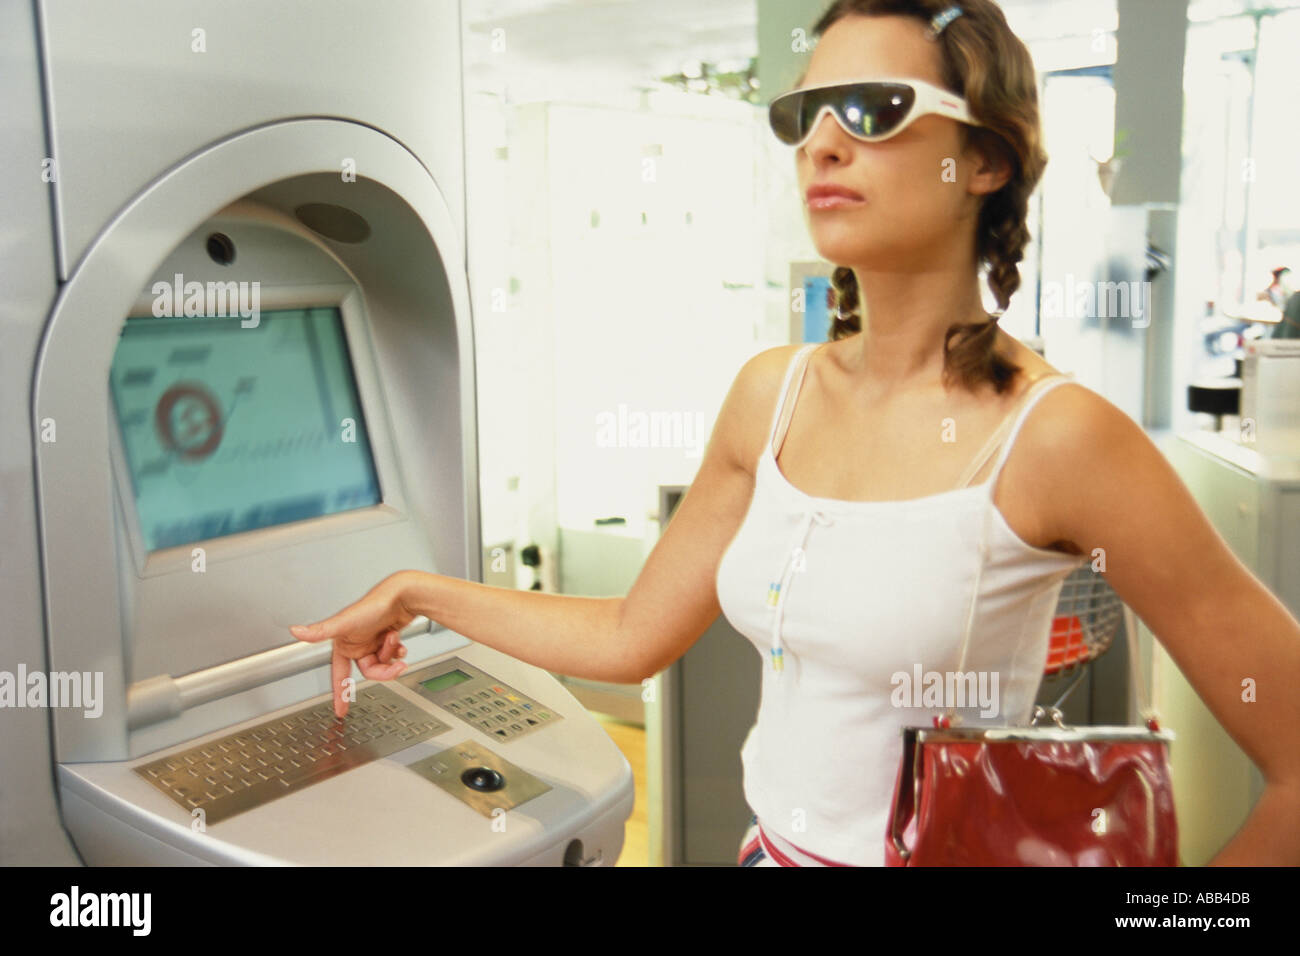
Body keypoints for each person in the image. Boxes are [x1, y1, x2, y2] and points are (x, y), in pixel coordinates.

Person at [291, 0, 1300, 866]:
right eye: (806, 113)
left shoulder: (1055, 436)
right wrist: (422, 594)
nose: (821, 142)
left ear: (983, 158)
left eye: (873, 110)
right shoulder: (767, 394)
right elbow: (631, 636)